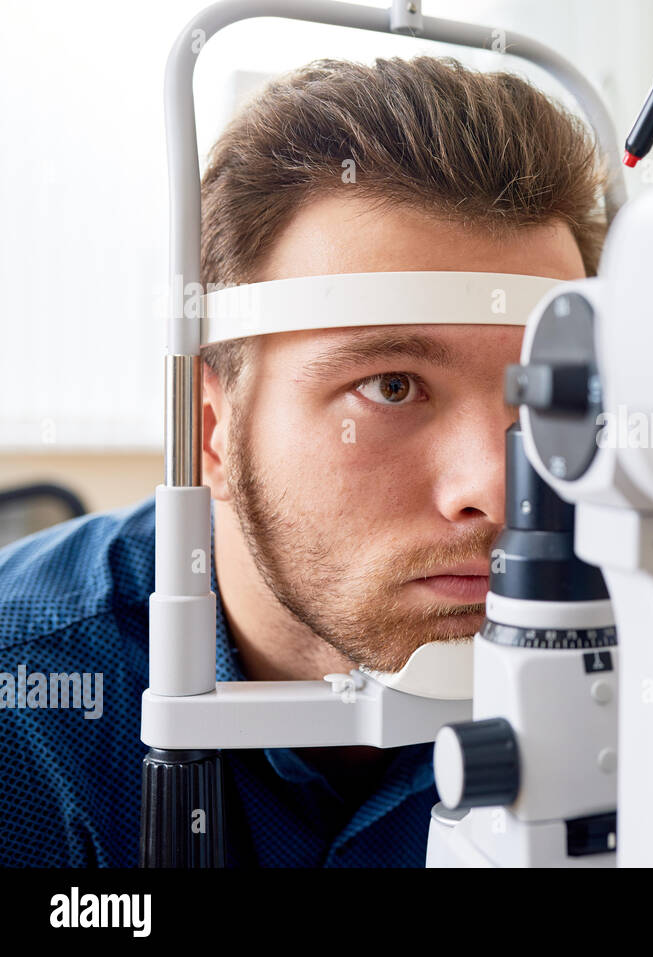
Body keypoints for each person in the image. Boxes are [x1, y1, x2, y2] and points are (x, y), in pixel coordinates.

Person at [0, 55, 609, 866]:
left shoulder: (620, 669)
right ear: (210, 430)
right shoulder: (28, 708)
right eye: (393, 386)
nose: (496, 490)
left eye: (540, 397)